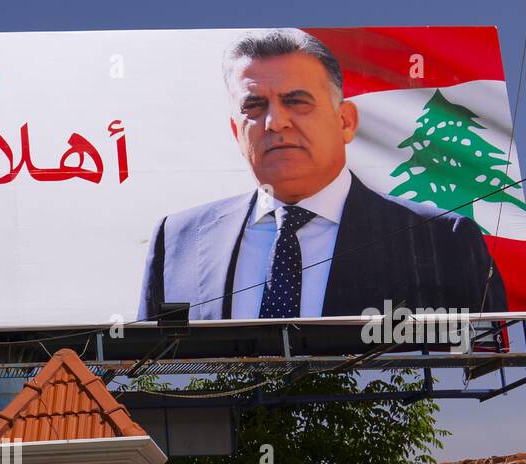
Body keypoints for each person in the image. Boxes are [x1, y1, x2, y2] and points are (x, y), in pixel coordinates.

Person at [138, 28, 506, 322]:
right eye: (254, 106)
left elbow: (486, 370)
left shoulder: (442, 241)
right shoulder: (178, 241)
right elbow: (149, 379)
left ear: (345, 121)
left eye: (296, 101)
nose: (275, 122)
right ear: (236, 133)